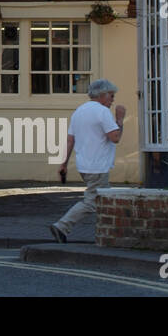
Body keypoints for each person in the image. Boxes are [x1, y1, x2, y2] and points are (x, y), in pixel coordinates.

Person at [50, 79, 126, 243]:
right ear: (103, 95)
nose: (113, 100)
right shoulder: (103, 112)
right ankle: (62, 226)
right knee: (92, 203)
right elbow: (115, 137)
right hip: (98, 166)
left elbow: (70, 140)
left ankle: (109, 234)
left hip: (84, 165)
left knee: (103, 200)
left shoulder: (79, 111)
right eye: (111, 96)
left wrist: (63, 164)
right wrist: (120, 119)